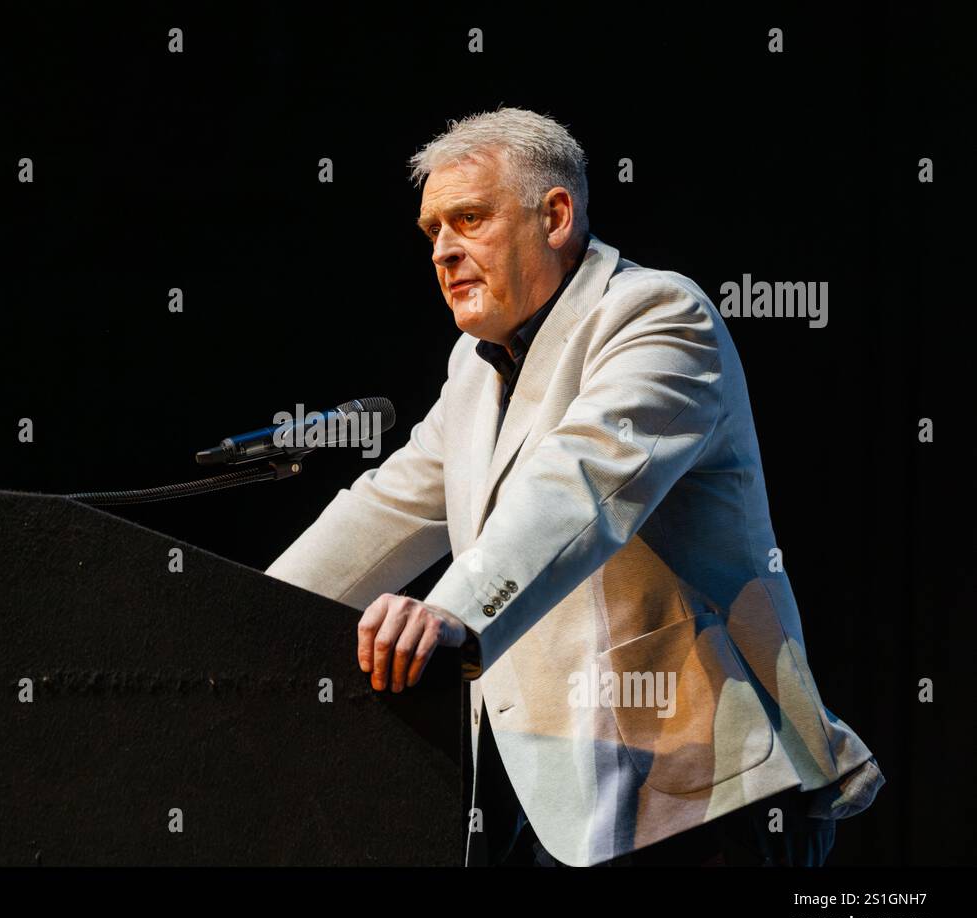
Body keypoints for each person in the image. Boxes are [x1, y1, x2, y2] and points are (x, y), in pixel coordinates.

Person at [265, 106, 883, 866]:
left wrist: (451, 613)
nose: (444, 252)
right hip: (569, 801)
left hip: (709, 792)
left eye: (468, 219)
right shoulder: (474, 368)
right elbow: (382, 514)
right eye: (432, 233)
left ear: (555, 215)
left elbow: (580, 489)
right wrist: (237, 625)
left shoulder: (659, 315)